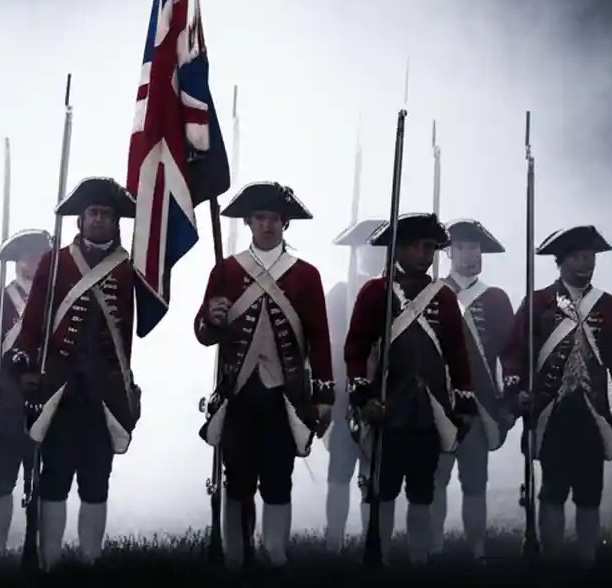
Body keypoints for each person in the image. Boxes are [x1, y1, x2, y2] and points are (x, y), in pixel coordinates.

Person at [194, 181, 334, 569]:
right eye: (260, 218)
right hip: (238, 393)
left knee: (277, 477)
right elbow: (204, 334)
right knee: (236, 477)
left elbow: (319, 337)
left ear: (285, 224)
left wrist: (323, 395)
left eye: (274, 219)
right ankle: (237, 556)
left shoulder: (306, 275)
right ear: (250, 222)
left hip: (284, 395)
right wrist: (212, 317)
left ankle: (275, 554)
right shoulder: (226, 270)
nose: (267, 226)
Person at [7, 177, 140, 569]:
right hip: (59, 389)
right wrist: (24, 365)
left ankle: (90, 560)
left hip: (106, 392)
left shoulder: (128, 266)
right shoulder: (55, 262)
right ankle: (48, 560)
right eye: (92, 212)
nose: (99, 219)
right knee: (54, 478)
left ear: (117, 221)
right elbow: (33, 322)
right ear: (80, 219)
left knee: (97, 480)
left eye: (106, 213)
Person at [501, 225, 612, 566]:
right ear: (560, 261)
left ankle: (587, 561)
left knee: (590, 491)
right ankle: (551, 560)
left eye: (589, 257)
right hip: (551, 410)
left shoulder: (608, 306)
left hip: (592, 411)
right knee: (553, 489)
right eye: (577, 256)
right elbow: (515, 352)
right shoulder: (538, 302)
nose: (585, 263)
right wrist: (518, 391)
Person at [345, 212, 475, 566]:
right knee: (382, 489)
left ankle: (420, 561)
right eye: (416, 246)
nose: (423, 254)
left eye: (430, 247)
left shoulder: (443, 297)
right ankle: (380, 557)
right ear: (398, 248)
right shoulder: (375, 292)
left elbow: (457, 354)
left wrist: (463, 399)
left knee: (423, 490)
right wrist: (364, 398)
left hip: (428, 409)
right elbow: (355, 350)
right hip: (388, 407)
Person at [430, 218, 514, 560]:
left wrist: (508, 402)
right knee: (434, 482)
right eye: (463, 247)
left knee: (475, 483)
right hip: (440, 405)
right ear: (449, 252)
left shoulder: (495, 299)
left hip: (479, 405)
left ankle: (477, 550)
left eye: (475, 247)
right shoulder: (432, 295)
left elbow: (511, 354)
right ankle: (432, 548)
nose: (471, 254)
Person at [0, 229, 53, 556]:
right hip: (4, 402)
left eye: (40, 255)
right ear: (16, 260)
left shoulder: (54, 301)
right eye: (28, 254)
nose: (34, 261)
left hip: (45, 401)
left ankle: (39, 547)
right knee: (2, 480)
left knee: (43, 480)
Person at [323, 218, 385, 550]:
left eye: (379, 247)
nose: (373, 254)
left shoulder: (395, 295)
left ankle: (370, 539)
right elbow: (325, 347)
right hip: (344, 397)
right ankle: (334, 540)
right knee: (339, 472)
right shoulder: (340, 294)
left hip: (382, 393)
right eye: (367, 247)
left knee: (372, 474)